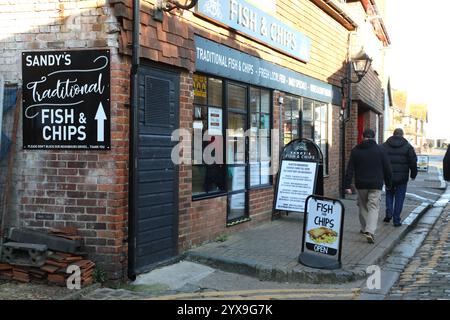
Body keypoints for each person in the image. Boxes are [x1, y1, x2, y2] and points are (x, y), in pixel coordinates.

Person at [344, 129, 392, 244]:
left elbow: (350, 169)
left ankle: (365, 228)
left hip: (361, 184)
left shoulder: (356, 150)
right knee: (373, 207)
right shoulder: (381, 150)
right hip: (376, 184)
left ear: (362, 136)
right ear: (374, 137)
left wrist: (347, 185)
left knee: (363, 207)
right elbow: (387, 168)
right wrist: (389, 183)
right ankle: (369, 231)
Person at [382, 128, 418, 227]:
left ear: (393, 134)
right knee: (399, 198)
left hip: (388, 177)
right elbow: (413, 162)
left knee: (389, 194)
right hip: (402, 178)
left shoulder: (384, 146)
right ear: (402, 135)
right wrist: (413, 175)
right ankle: (396, 220)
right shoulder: (408, 147)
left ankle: (389, 213)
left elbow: (380, 160)